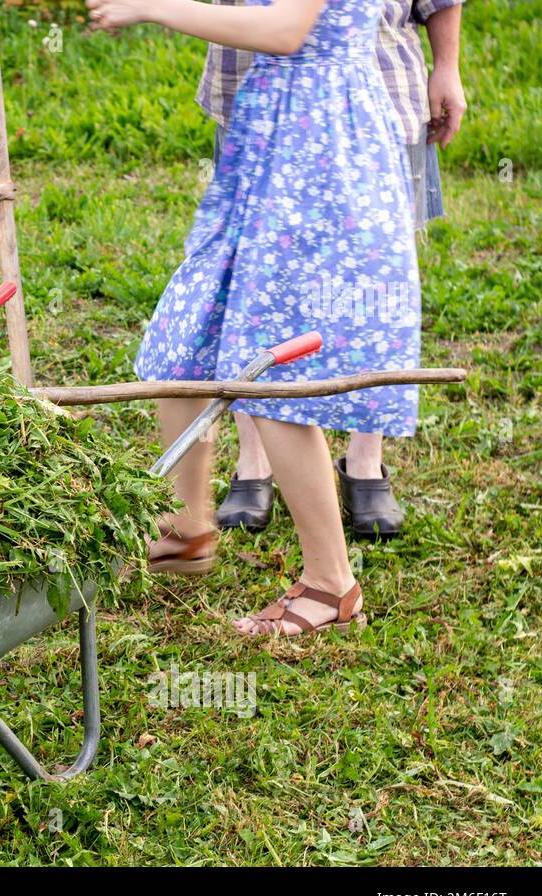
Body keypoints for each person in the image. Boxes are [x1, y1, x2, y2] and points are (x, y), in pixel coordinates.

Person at [87, 0, 422, 636]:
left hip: (318, 152)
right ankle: (184, 529)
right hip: (274, 139)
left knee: (271, 374)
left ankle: (331, 586)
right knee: (186, 335)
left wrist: (149, 8)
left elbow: (283, 29)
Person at [200, 0, 466, 538]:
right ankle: (255, 461)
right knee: (258, 281)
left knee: (371, 286)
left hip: (377, 93)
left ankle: (365, 460)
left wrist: (448, 65)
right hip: (254, 92)